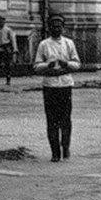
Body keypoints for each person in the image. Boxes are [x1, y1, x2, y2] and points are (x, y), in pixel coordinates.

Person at [33, 13, 81, 162]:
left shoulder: (69, 43)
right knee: (52, 120)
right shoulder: (44, 44)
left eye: (59, 26)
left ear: (63, 28)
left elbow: (77, 63)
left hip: (65, 85)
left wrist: (67, 64)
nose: (56, 29)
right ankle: (55, 152)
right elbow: (36, 66)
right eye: (53, 26)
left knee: (66, 119)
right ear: (49, 28)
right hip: (50, 86)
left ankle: (65, 147)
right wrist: (48, 65)